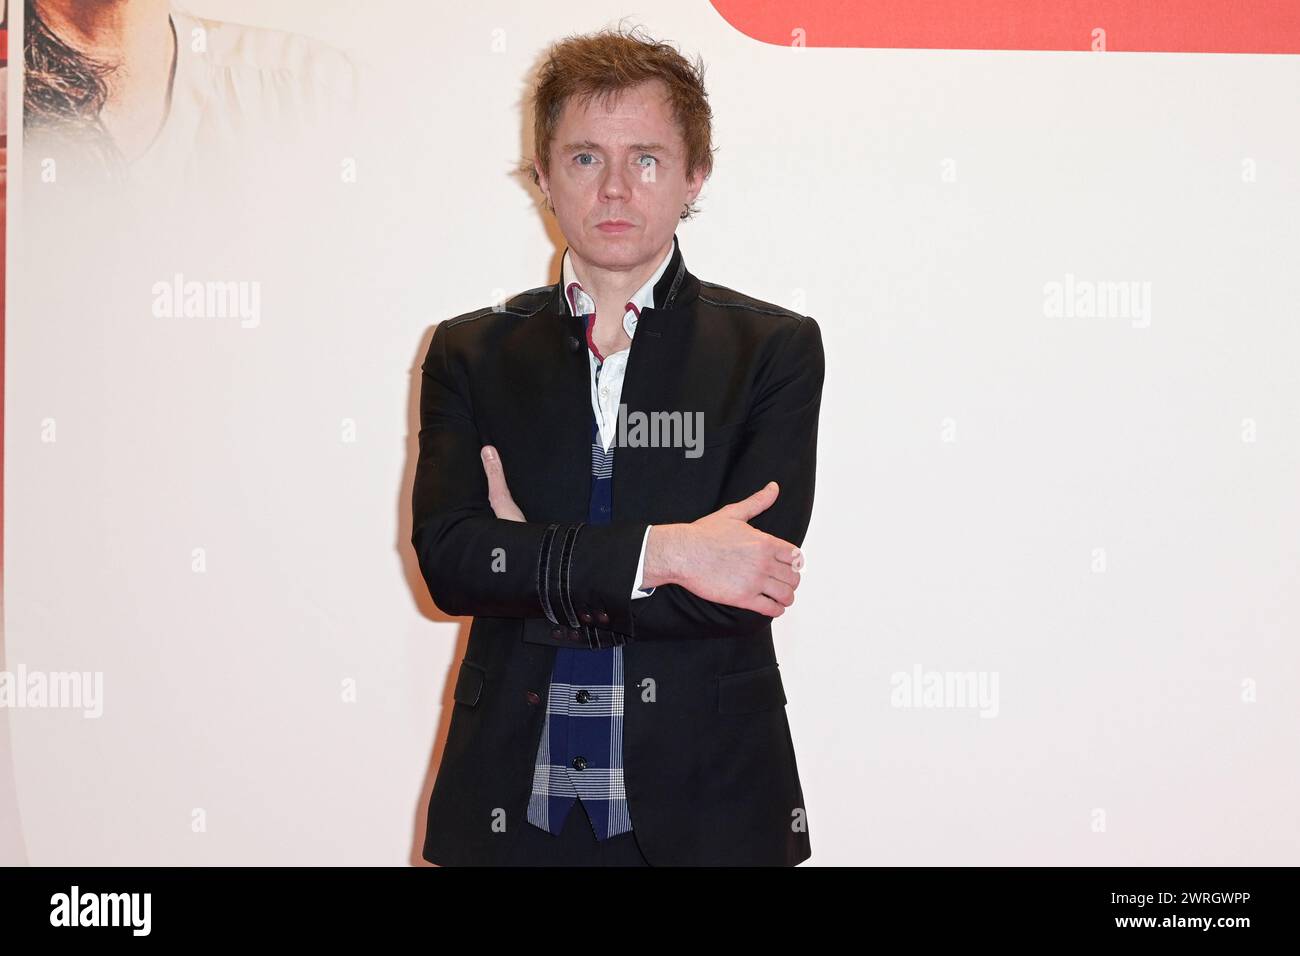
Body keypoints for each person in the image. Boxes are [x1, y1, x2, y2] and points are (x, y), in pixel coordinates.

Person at [411, 24, 824, 866]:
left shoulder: (773, 349)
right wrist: (670, 550)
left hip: (711, 798)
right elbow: (452, 565)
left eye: (646, 159)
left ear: (693, 177)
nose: (614, 191)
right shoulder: (466, 351)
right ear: (543, 176)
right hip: (510, 799)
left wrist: (533, 561)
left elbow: (747, 580)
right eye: (585, 158)